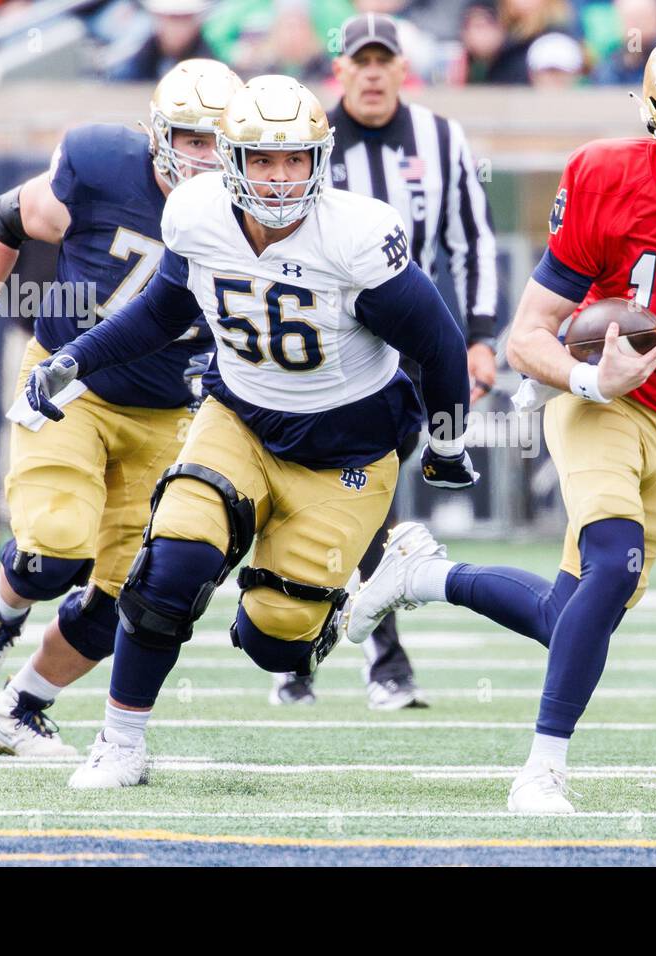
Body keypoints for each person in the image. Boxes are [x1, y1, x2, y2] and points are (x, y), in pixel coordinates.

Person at [342, 22, 656, 813]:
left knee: (570, 616)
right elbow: (526, 335)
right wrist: (590, 380)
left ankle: (421, 574)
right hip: (600, 407)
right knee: (613, 563)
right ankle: (542, 770)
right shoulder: (610, 179)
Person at [22, 75, 476, 789]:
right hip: (240, 419)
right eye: (262, 160)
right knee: (168, 563)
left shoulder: (357, 235)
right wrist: (77, 358)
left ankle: (351, 597)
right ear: (231, 160)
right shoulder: (198, 213)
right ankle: (120, 742)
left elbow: (441, 345)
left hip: (346, 452)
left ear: (318, 160)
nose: (279, 176)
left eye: (294, 159)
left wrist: (447, 444)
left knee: (275, 642)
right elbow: (162, 310)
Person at [0, 59, 241, 756]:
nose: (208, 156)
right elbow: (7, 216)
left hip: (170, 411)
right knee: (56, 551)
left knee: (136, 597)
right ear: (161, 137)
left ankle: (22, 709)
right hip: (69, 384)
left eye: (219, 141)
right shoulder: (104, 164)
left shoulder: (256, 205)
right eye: (193, 140)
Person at [269, 12, 498, 710]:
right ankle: (304, 646)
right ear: (337, 70)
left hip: (403, 349)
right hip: (315, 347)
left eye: (383, 59)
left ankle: (370, 658)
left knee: (372, 495)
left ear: (403, 68)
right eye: (358, 60)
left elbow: (473, 243)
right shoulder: (305, 142)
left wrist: (480, 336)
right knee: (305, 495)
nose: (371, 72)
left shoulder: (440, 138)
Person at [107, 0, 219, 83]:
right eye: (172, 18)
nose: (177, 27)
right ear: (158, 19)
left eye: (184, 18)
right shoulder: (135, 66)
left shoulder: (213, 70)